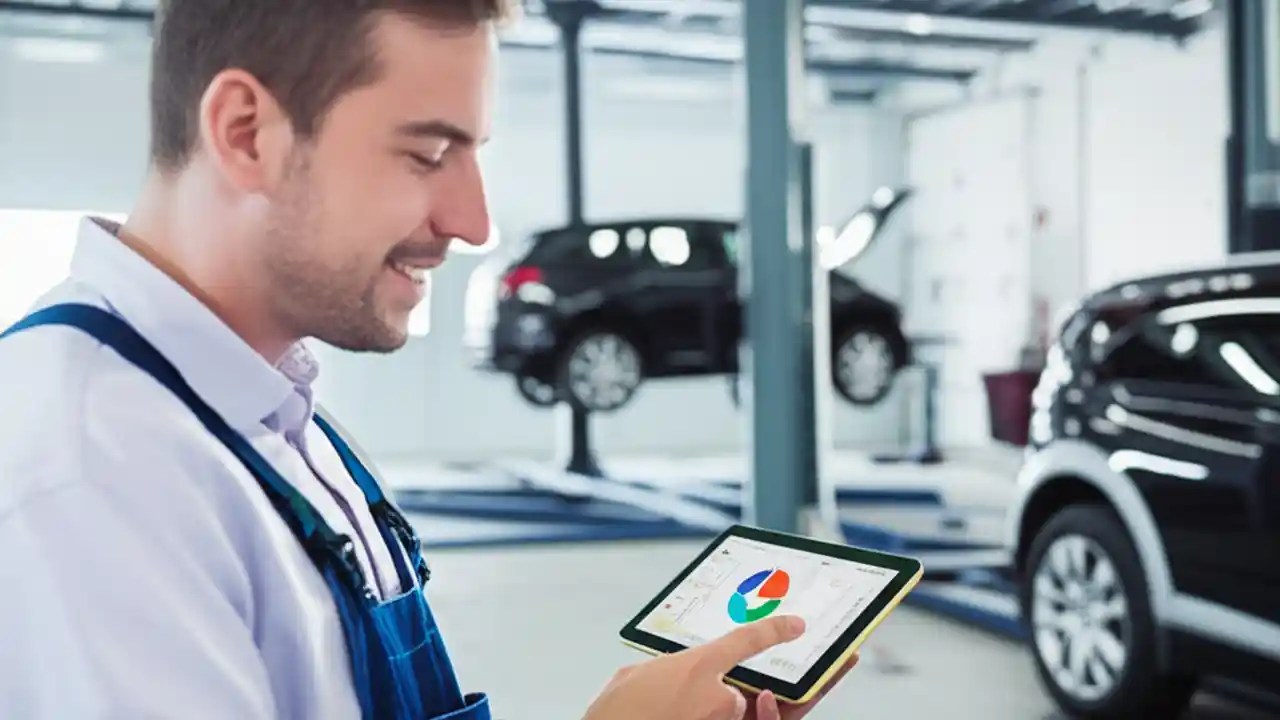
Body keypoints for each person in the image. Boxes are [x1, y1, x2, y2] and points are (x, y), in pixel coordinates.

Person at [0, 2, 858, 719]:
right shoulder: (89, 477)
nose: (473, 221)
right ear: (246, 132)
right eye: (427, 155)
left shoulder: (274, 413)